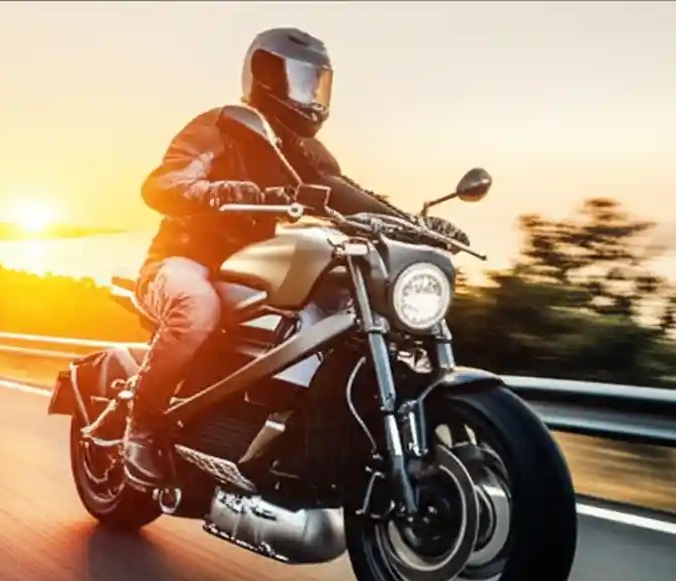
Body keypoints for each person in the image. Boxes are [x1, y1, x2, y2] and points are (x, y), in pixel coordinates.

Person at [123, 27, 468, 489]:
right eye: (301, 81)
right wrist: (214, 190)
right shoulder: (223, 124)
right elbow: (160, 185)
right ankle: (141, 426)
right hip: (183, 262)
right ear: (265, 76)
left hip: (251, 265)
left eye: (318, 84)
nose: (312, 97)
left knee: (333, 304)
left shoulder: (307, 150)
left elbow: (345, 196)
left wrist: (415, 227)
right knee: (196, 309)